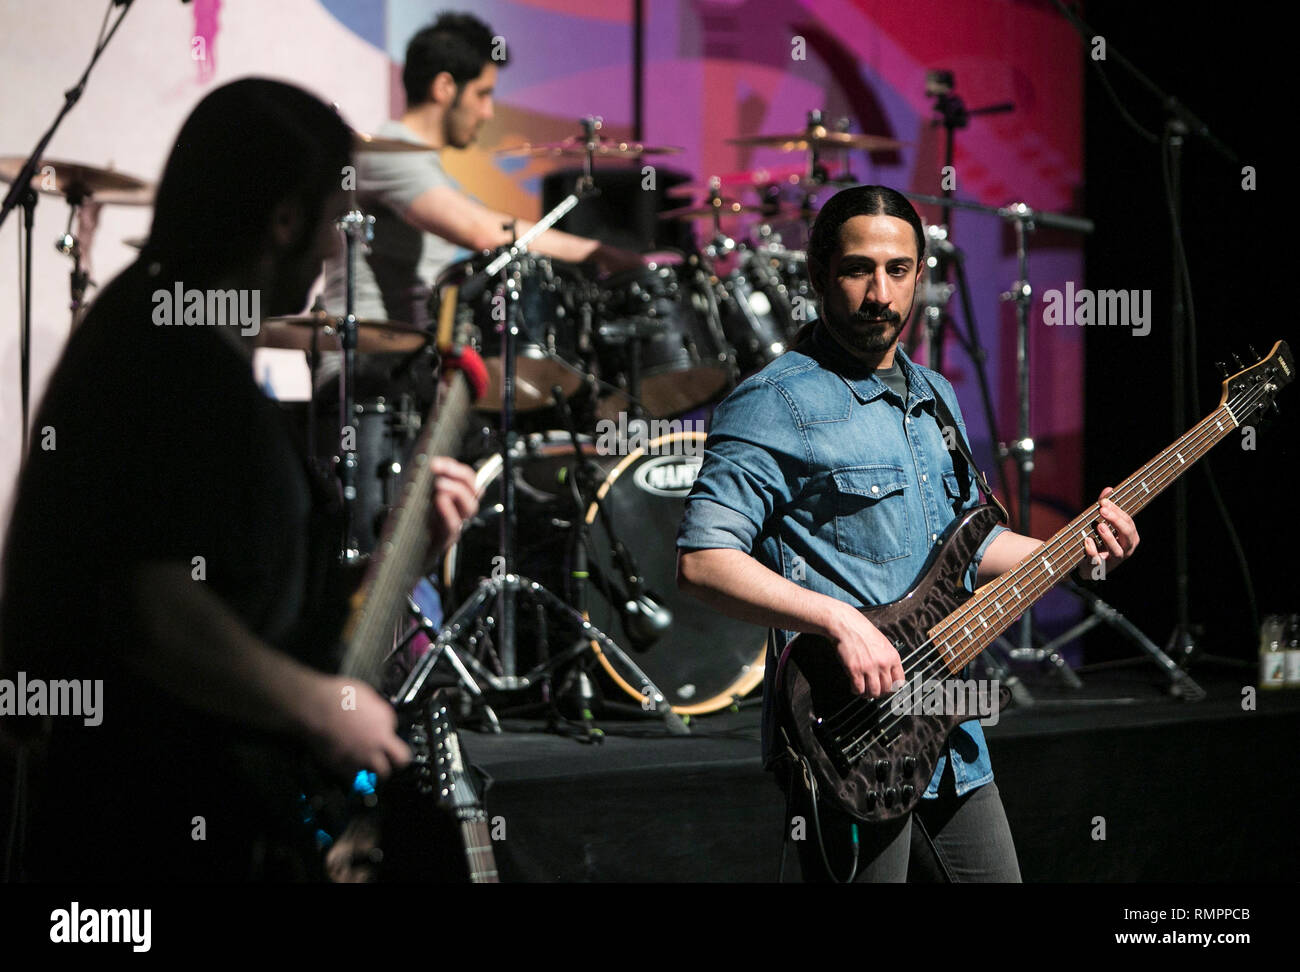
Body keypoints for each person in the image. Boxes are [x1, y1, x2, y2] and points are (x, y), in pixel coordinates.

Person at [0, 78, 481, 882]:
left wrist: (410, 554)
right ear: (283, 220)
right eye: (332, 221)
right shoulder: (168, 357)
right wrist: (320, 710)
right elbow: (153, 607)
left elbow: (255, 608)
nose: (336, 247)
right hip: (135, 834)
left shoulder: (174, 334)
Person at [676, 185, 1140, 882]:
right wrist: (840, 621)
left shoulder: (935, 396)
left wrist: (1075, 549)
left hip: (948, 718)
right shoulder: (772, 402)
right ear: (817, 276)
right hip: (847, 731)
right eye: (858, 269)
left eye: (899, 270)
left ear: (921, 276)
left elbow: (972, 545)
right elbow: (704, 562)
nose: (880, 293)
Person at [321, 11, 642, 331]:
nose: (488, 112)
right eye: (482, 94)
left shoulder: (418, 164)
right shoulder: (390, 157)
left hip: (404, 358)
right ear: (444, 87)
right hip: (366, 365)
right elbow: (482, 230)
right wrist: (600, 254)